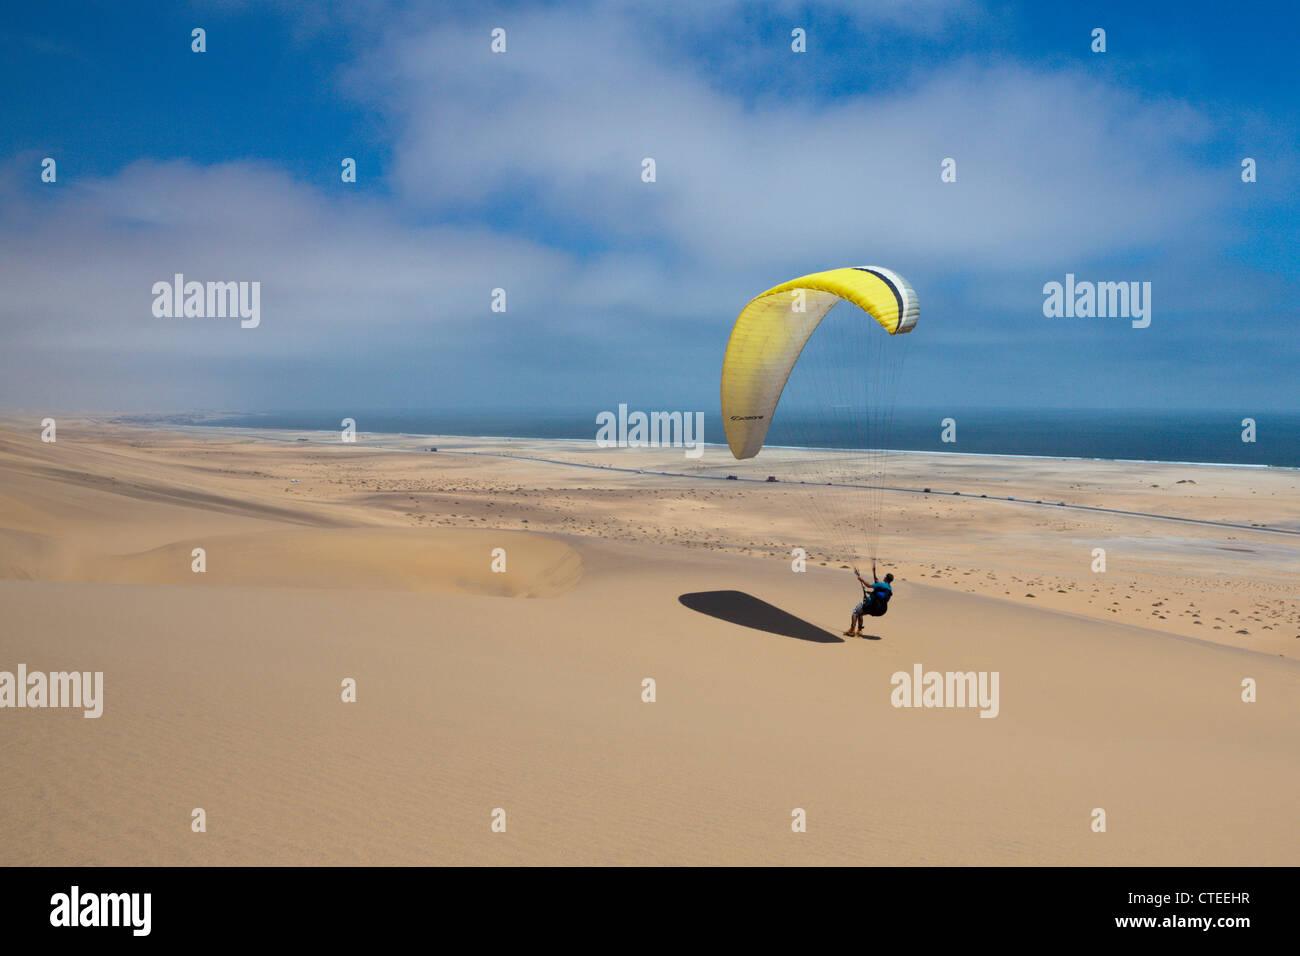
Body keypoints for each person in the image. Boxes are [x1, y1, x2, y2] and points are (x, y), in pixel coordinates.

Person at [844, 562, 894, 636]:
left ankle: (852, 630)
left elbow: (868, 585)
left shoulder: (881, 584)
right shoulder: (889, 588)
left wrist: (862, 580)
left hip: (871, 605)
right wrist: (872, 593)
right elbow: (879, 591)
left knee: (855, 612)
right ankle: (859, 630)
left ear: (886, 578)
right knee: (860, 613)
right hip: (880, 610)